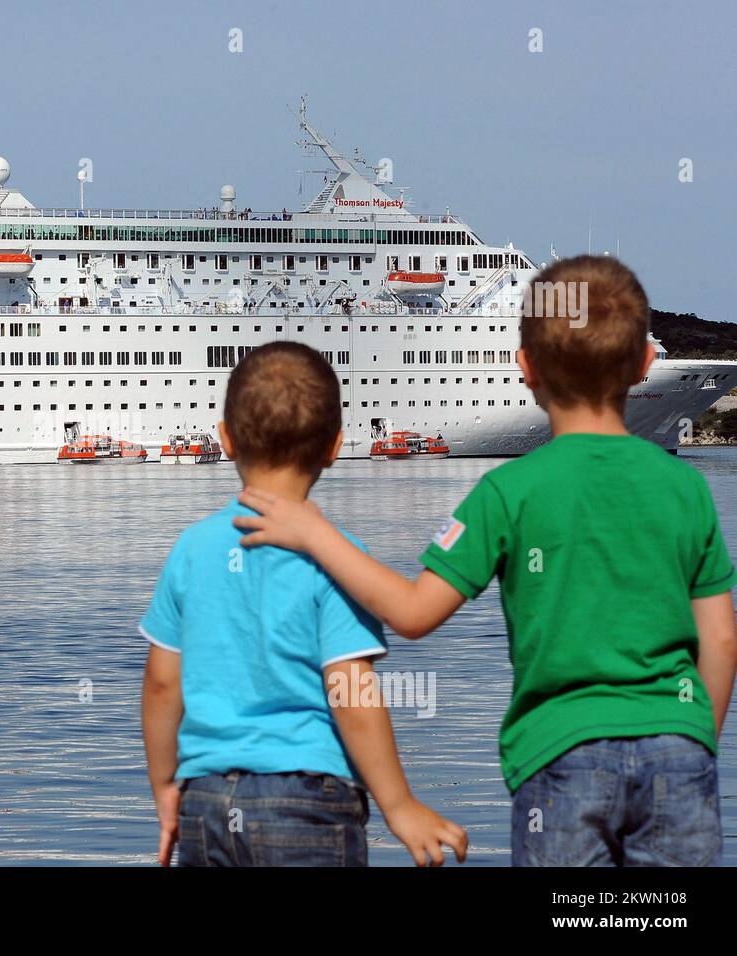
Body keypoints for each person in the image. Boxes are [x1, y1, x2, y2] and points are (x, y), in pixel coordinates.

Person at [235, 256, 737, 866]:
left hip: (559, 754)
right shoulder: (683, 489)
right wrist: (693, 741)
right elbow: (722, 639)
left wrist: (316, 533)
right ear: (645, 364)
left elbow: (415, 613)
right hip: (678, 753)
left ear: (524, 368)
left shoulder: (508, 492)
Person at [141, 342, 468, 867]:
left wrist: (165, 786)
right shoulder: (332, 558)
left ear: (225, 439)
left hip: (205, 800)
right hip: (306, 803)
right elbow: (350, 690)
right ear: (334, 446)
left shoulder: (192, 549)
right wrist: (399, 804)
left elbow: (161, 682)